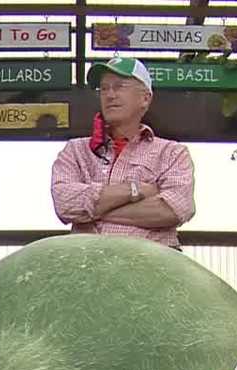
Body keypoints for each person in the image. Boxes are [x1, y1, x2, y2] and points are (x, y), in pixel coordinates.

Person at [50, 57, 196, 249]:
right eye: (104, 88)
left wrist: (92, 210)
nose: (110, 95)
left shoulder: (173, 153)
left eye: (119, 86)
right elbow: (65, 205)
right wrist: (135, 189)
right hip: (87, 266)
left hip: (150, 268)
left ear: (145, 98)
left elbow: (174, 210)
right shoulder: (75, 151)